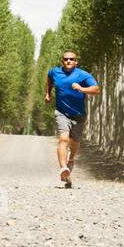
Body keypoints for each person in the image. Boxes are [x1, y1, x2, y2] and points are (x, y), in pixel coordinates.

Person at [45, 50, 99, 188]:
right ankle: (63, 168)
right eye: (66, 59)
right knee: (63, 138)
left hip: (79, 115)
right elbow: (49, 79)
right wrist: (48, 94)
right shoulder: (54, 72)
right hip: (62, 113)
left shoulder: (83, 75)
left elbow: (96, 89)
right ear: (62, 60)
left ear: (76, 61)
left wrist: (81, 89)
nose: (68, 61)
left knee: (74, 143)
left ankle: (71, 159)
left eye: (71, 59)